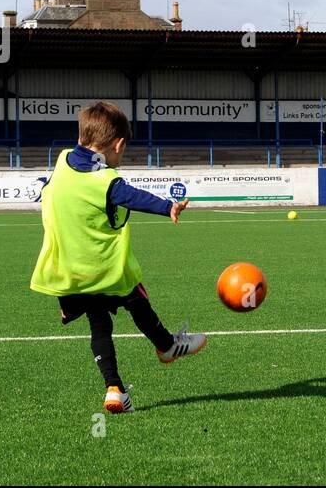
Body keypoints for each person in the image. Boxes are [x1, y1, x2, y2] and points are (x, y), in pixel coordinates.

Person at [30, 101, 206, 413]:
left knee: (99, 326)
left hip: (70, 270)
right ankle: (166, 346)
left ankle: (114, 390)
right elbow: (130, 196)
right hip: (104, 268)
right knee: (136, 299)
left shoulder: (62, 160)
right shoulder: (106, 180)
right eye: (122, 153)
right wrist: (168, 206)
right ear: (118, 144)